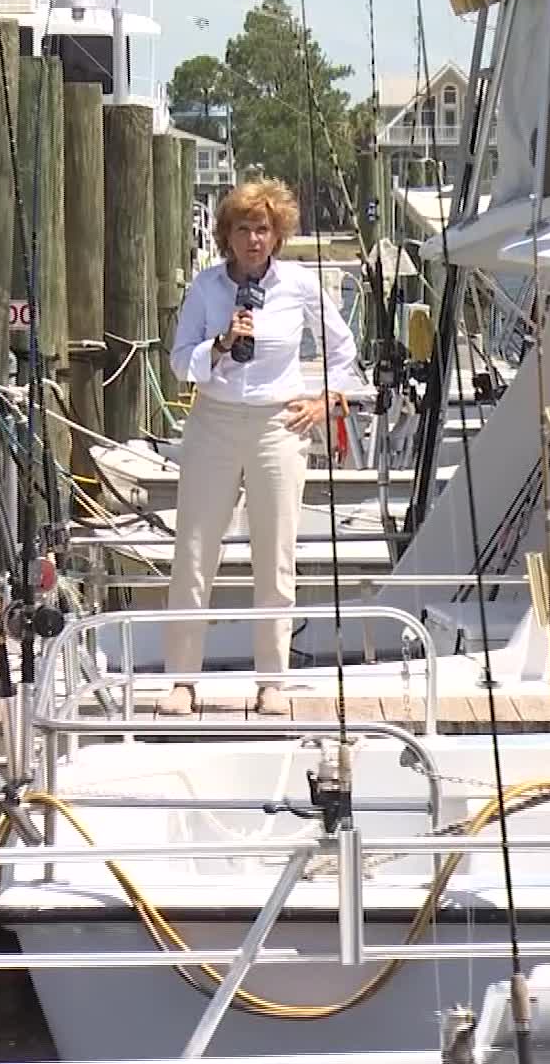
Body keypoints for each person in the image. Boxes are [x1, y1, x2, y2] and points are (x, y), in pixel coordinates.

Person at [160, 179, 364, 716]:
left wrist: (327, 400)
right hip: (215, 420)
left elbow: (343, 349)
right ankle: (182, 680)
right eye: (244, 229)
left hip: (280, 423)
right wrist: (221, 342)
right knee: (196, 551)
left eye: (263, 229)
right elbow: (181, 361)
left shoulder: (298, 285)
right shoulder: (206, 288)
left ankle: (272, 680)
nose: (254, 239)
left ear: (277, 235)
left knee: (274, 555)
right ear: (227, 235)